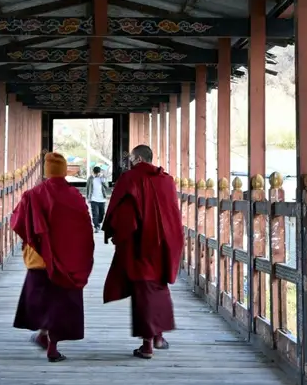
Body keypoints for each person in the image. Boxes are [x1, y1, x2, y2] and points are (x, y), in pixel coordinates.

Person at [11, 152, 96, 362]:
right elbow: (85, 228)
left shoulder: (32, 194)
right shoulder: (75, 196)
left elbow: (17, 222)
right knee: (60, 302)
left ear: (46, 171)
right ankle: (51, 345)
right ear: (65, 170)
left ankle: (43, 335)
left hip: (39, 259)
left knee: (42, 299)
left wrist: (36, 239)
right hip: (67, 260)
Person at [101, 144, 183, 359]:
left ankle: (147, 344)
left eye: (131, 158)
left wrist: (116, 235)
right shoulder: (167, 180)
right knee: (158, 286)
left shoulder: (130, 179)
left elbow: (124, 215)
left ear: (137, 159)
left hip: (140, 244)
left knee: (144, 291)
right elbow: (173, 213)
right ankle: (158, 335)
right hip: (165, 242)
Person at [84, 165, 108, 231]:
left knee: (102, 213)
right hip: (93, 199)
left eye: (98, 173)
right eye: (96, 173)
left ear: (100, 172)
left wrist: (103, 180)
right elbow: (88, 188)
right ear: (94, 172)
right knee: (95, 214)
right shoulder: (90, 178)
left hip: (102, 199)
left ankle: (98, 222)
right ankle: (96, 226)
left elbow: (107, 187)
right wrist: (88, 198)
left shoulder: (102, 178)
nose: (97, 174)